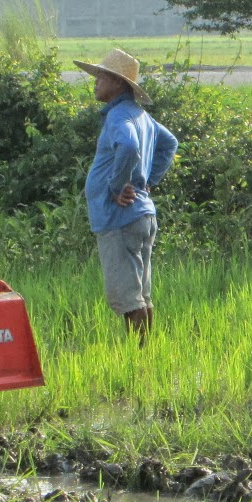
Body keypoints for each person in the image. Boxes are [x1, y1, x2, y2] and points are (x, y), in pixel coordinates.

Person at [78, 49, 178, 342]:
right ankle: (145, 356)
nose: (95, 82)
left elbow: (130, 146)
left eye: (102, 76)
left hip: (119, 218)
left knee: (128, 297)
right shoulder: (140, 115)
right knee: (141, 295)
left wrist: (116, 186)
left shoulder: (120, 116)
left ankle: (139, 360)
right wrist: (149, 181)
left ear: (119, 83)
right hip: (142, 215)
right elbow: (169, 143)